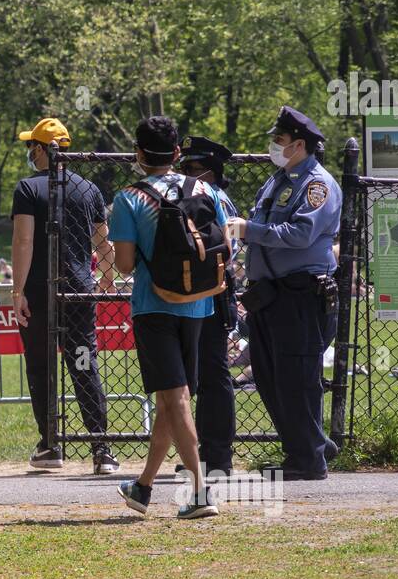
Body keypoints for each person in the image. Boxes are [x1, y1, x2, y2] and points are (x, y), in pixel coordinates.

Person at [110, 117, 225, 519]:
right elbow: (223, 242)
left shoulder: (128, 198)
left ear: (138, 154)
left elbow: (124, 265)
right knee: (170, 399)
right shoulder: (205, 188)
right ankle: (143, 487)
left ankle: (199, 491)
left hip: (153, 305)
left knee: (174, 398)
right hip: (199, 304)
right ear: (178, 152)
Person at [227, 106, 343, 480]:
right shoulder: (278, 180)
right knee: (268, 373)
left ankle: (308, 459)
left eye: (279, 141)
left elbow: (300, 235)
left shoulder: (317, 185)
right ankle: (314, 444)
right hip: (269, 295)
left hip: (300, 294)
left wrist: (248, 231)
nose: (274, 147)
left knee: (296, 377)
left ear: (300, 144)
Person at [11, 117, 119, 475]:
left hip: (40, 290)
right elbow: (103, 241)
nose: (29, 153)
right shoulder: (88, 190)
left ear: (41, 150)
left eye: (31, 146)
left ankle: (50, 443)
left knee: (41, 366)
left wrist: (17, 290)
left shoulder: (28, 189)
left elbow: (24, 241)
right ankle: (101, 447)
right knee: (84, 362)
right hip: (78, 290)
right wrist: (106, 276)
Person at [177, 135, 240, 475]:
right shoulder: (189, 195)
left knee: (214, 374)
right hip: (190, 293)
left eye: (194, 168)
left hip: (214, 292)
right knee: (196, 375)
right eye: (183, 167)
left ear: (213, 172)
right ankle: (201, 454)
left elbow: (232, 249)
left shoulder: (217, 198)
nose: (186, 173)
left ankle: (218, 456)